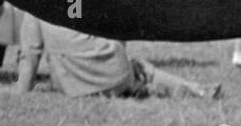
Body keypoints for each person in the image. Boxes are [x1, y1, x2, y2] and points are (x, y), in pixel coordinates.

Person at [16, 13, 219, 99]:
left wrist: (21, 91)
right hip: (115, 70)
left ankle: (143, 88)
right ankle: (195, 89)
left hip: (75, 85)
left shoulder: (34, 7)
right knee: (137, 68)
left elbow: (30, 55)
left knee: (135, 72)